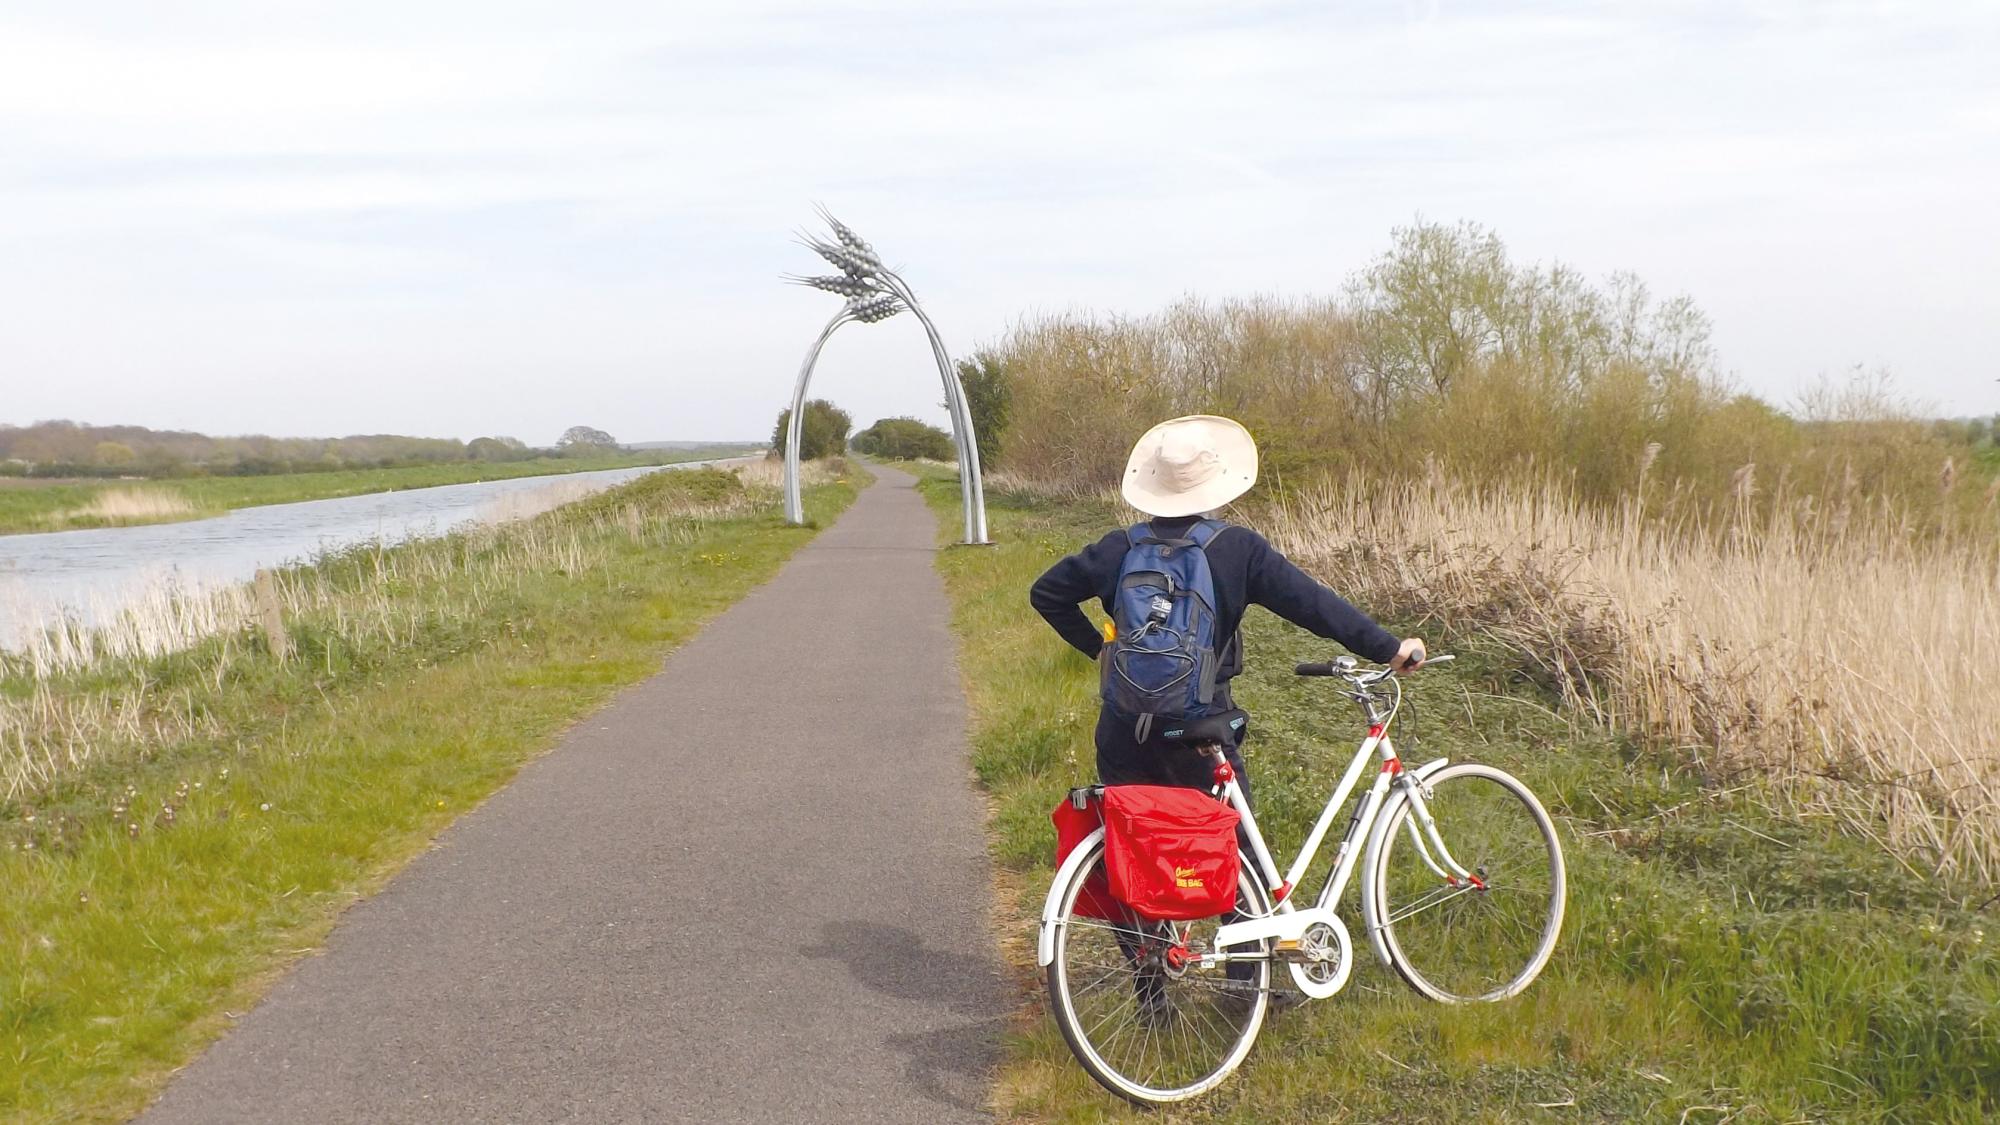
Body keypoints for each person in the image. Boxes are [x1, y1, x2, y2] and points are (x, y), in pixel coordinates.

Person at [1030, 413, 1425, 825]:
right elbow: (1316, 606)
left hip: (1123, 728)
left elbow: (1047, 593)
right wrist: (1391, 649)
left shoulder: (1119, 548)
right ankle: (1241, 891)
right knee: (1233, 857)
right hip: (1198, 732)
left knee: (1135, 847)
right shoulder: (1237, 549)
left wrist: (1100, 650)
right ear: (1215, 484)